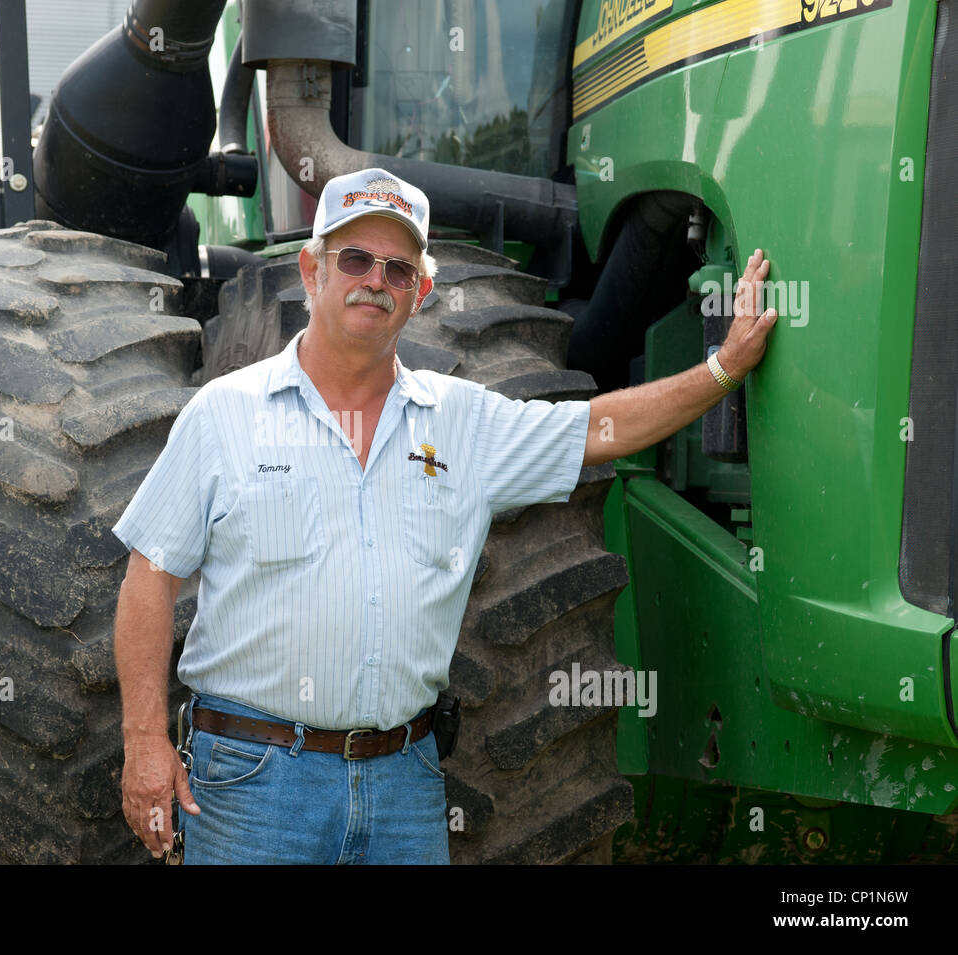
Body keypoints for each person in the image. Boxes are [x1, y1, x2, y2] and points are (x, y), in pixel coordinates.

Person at [112, 167, 777, 864]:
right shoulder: (225, 414)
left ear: (420, 293)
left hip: (404, 785)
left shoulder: (462, 421)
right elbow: (149, 576)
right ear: (312, 270)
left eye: (399, 270)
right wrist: (145, 741)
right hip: (254, 785)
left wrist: (723, 369)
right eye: (357, 260)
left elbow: (596, 429)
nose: (377, 280)